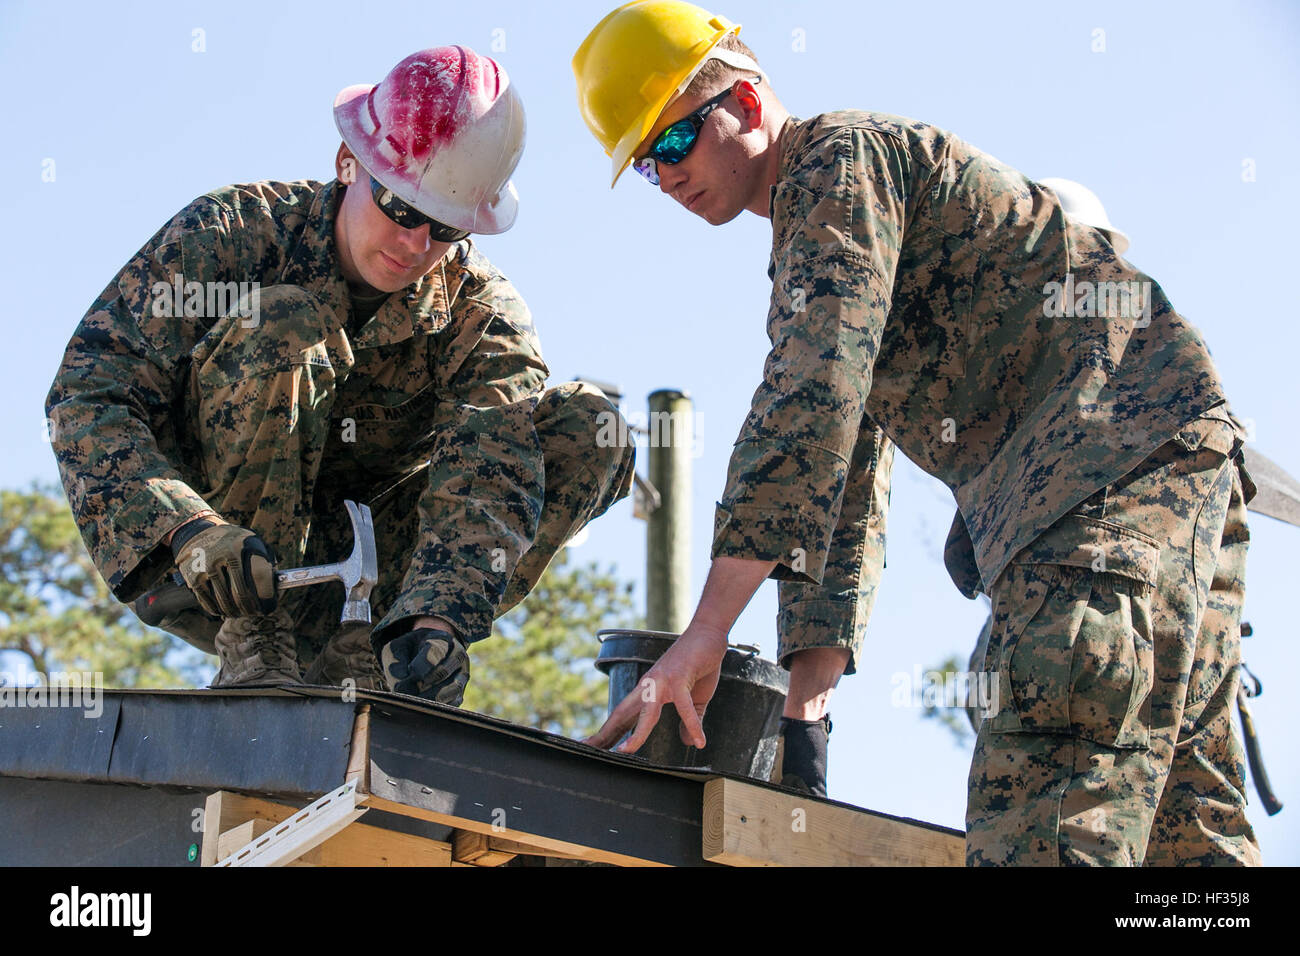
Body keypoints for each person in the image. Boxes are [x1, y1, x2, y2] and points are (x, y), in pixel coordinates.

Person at [572, 0, 1260, 865]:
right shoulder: (838, 214)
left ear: (746, 104)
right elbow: (844, 471)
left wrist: (704, 632)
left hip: (1101, 494)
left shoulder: (837, 163)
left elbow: (809, 398)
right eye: (643, 165)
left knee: (1041, 817)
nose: (665, 177)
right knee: (1185, 837)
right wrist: (803, 717)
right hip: (1171, 475)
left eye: (672, 141)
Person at [46, 46, 634, 704]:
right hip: (215, 562)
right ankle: (256, 639)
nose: (414, 244)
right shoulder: (233, 234)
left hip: (379, 579)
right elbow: (89, 393)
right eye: (400, 209)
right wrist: (186, 529)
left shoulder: (483, 318)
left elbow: (490, 475)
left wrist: (436, 620)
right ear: (346, 163)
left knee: (596, 430)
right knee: (287, 322)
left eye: (441, 228)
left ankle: (381, 647)